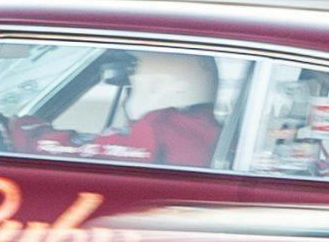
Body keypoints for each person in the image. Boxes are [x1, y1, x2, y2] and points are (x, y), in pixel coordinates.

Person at [12, 53, 221, 167]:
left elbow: (85, 152)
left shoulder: (160, 128)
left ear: (161, 85)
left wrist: (25, 133)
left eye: (131, 85)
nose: (127, 97)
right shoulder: (209, 129)